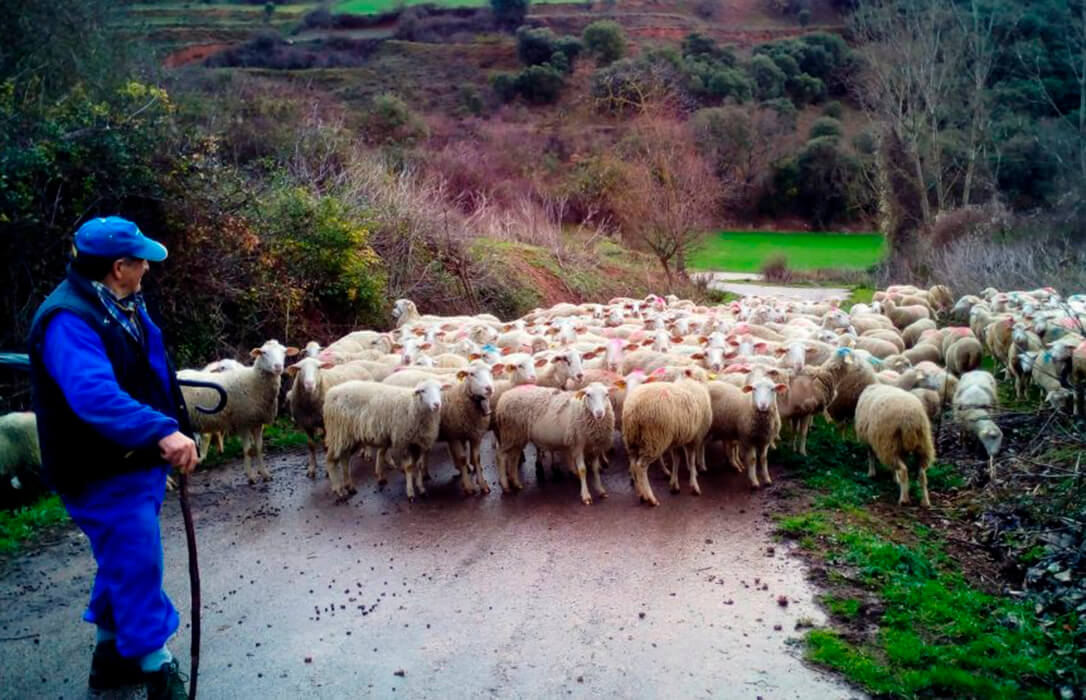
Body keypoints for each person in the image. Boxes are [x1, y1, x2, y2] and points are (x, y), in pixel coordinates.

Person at [27, 216, 198, 700]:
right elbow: (94, 397)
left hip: (130, 462)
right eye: (141, 260)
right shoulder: (69, 320)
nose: (148, 267)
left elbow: (146, 368)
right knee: (137, 561)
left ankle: (109, 659)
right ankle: (155, 665)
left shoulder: (119, 302)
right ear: (120, 266)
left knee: (120, 558)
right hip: (99, 468)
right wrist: (161, 430)